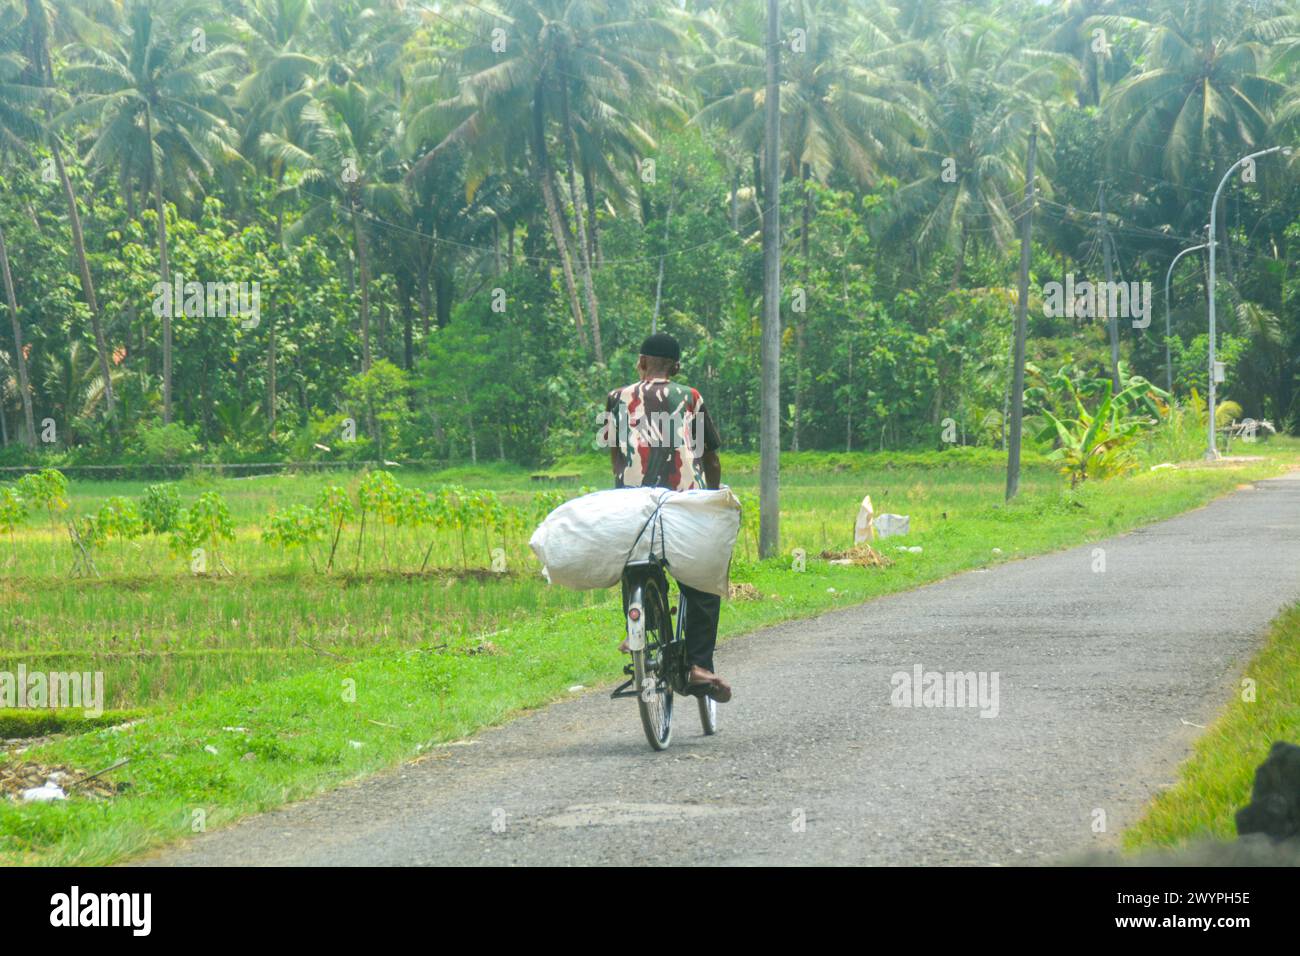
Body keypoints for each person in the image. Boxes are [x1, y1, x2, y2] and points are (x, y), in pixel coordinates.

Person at [602, 332, 731, 703]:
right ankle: (697, 666)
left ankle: (635, 627)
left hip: (633, 504)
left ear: (641, 363)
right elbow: (711, 458)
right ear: (675, 368)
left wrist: (622, 489)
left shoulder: (615, 398)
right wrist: (711, 495)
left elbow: (615, 455)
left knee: (636, 563)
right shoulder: (690, 397)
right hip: (682, 505)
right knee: (702, 581)